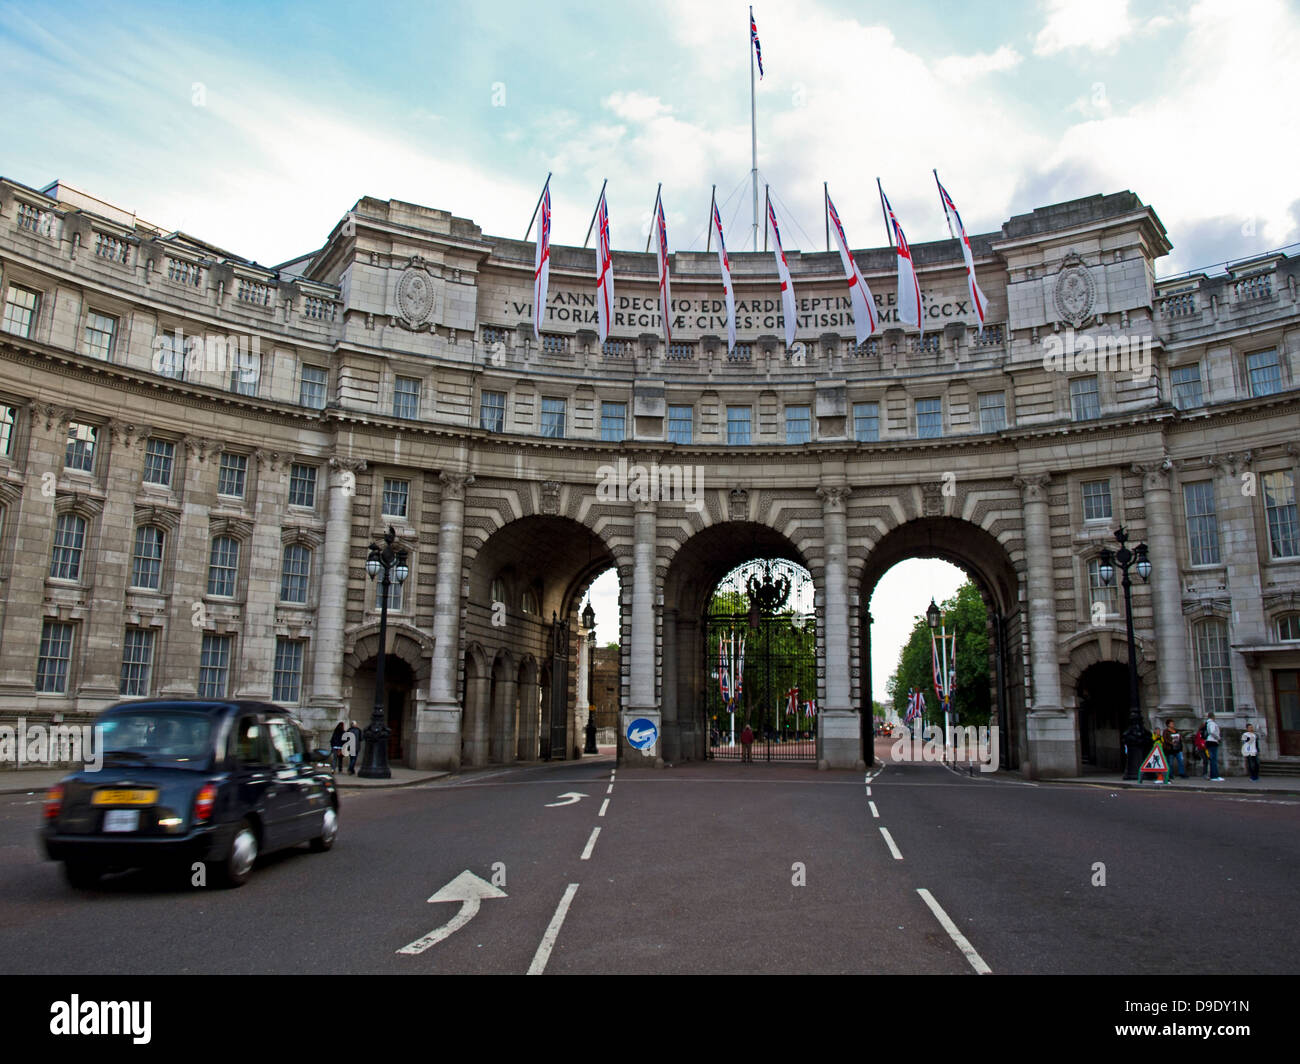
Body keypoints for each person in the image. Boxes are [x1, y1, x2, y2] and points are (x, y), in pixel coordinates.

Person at [1205, 712, 1223, 780]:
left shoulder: (1208, 723)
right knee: (1213, 759)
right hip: (1212, 741)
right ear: (1213, 717)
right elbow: (1212, 732)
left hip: (1210, 741)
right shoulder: (1212, 723)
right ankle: (1214, 776)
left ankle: (1213, 775)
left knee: (1212, 759)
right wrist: (1218, 737)